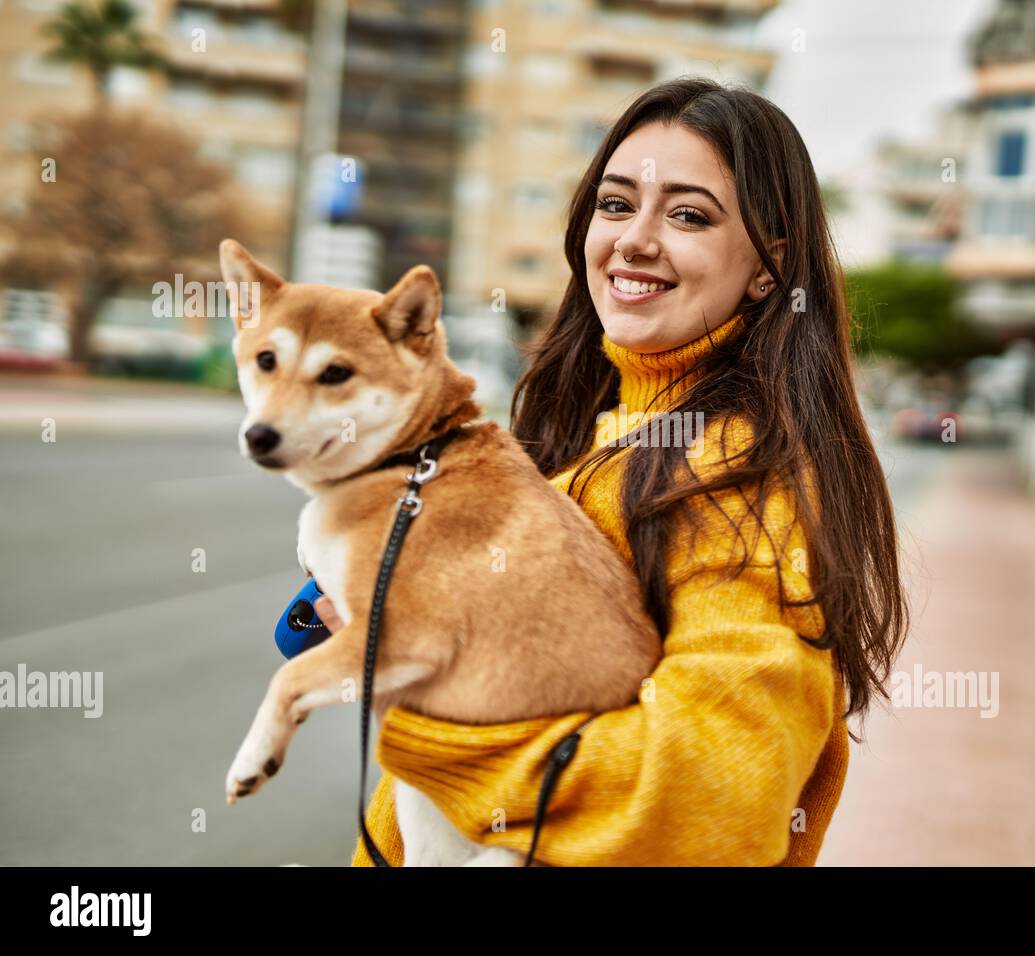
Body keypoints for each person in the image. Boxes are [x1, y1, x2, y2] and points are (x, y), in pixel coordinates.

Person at [319, 77, 908, 867]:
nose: (634, 239)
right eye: (617, 203)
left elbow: (717, 795)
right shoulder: (590, 439)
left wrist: (434, 723)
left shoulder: (735, 478)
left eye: (689, 214)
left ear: (769, 266)